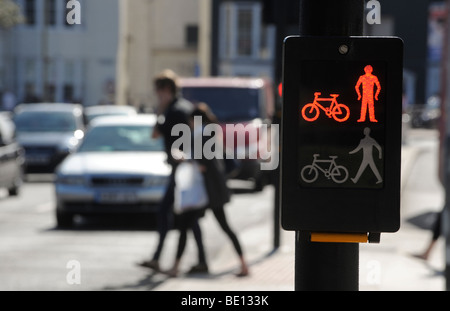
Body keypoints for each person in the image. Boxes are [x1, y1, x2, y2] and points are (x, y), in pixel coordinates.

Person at [166, 103, 250, 277]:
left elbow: (204, 164)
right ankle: (243, 265)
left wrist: (184, 159)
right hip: (208, 190)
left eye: (190, 121)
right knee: (218, 226)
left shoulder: (204, 134)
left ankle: (175, 268)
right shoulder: (209, 133)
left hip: (205, 191)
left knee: (188, 226)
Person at [138, 69, 194, 271]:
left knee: (168, 211)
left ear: (167, 89)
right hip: (183, 169)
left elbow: (155, 134)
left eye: (158, 91)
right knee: (189, 215)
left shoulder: (175, 111)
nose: (157, 95)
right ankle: (200, 260)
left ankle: (157, 258)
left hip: (182, 169)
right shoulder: (181, 108)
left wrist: (160, 112)